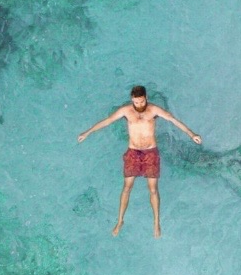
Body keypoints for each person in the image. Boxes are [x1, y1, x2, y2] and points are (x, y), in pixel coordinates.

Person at [77, 85, 202, 237]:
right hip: (133, 152)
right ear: (132, 100)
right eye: (136, 102)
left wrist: (191, 134)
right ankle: (120, 220)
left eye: (142, 102)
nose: (139, 105)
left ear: (146, 98)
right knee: (127, 187)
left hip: (150, 152)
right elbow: (107, 121)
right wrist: (87, 132)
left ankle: (156, 222)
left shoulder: (154, 110)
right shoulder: (126, 111)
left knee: (153, 189)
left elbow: (173, 120)